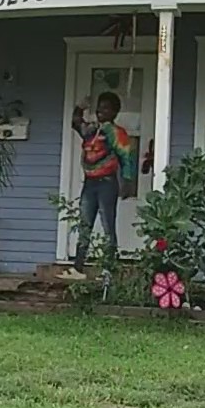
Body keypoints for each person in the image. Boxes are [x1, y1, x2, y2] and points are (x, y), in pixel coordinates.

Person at [67, 91, 140, 274]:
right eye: (99, 107)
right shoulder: (91, 130)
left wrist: (127, 182)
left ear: (115, 112)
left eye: (106, 108)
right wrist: (80, 107)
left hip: (107, 184)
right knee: (84, 224)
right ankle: (78, 268)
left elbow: (126, 158)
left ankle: (108, 268)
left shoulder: (116, 133)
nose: (101, 111)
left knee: (108, 225)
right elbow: (76, 123)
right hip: (89, 184)